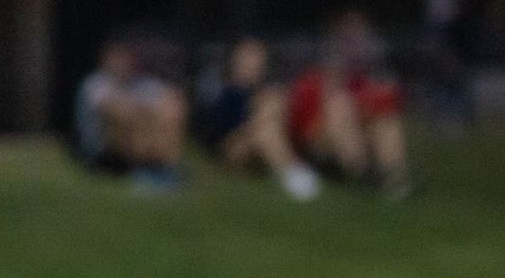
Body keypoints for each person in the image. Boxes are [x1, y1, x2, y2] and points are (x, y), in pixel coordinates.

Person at [286, 10, 413, 200]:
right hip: (321, 151)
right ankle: (365, 174)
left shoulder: (359, 83)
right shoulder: (309, 83)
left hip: (354, 142)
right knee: (340, 106)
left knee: (385, 121)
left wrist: (364, 110)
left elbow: (391, 104)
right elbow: (301, 132)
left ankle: (397, 180)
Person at [201, 37, 321, 200]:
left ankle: (292, 172)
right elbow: (216, 130)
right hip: (230, 149)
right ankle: (295, 173)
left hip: (259, 143)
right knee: (266, 123)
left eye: (257, 57)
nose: (252, 63)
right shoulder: (223, 88)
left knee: (270, 114)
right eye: (248, 56)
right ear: (235, 58)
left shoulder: (262, 90)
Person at [75, 39, 188, 189]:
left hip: (137, 145)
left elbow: (171, 100)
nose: (122, 63)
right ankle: (148, 170)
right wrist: (147, 114)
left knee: (169, 111)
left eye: (126, 58)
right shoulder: (96, 84)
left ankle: (163, 168)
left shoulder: (138, 83)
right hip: (102, 151)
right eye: (117, 58)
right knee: (128, 117)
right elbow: (115, 110)